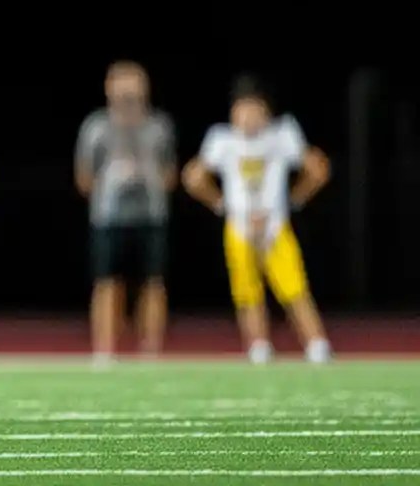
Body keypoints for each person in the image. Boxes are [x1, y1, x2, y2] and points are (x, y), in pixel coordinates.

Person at [182, 75, 332, 364]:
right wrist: (220, 204)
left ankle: (317, 344)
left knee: (294, 286)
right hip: (239, 226)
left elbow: (318, 169)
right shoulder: (222, 140)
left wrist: (295, 199)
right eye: (242, 110)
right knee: (246, 291)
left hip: (274, 226)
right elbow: (192, 177)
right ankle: (258, 345)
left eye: (254, 110)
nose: (248, 117)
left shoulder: (282, 135)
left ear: (266, 112)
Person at [75, 61, 177, 362]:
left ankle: (151, 350)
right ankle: (104, 351)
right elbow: (83, 177)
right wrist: (111, 187)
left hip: (151, 216)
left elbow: (170, 172)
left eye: (134, 86)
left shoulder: (159, 126)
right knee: (107, 282)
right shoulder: (95, 127)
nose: (128, 93)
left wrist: (148, 182)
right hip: (108, 218)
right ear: (109, 89)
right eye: (121, 86)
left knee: (153, 283)